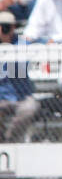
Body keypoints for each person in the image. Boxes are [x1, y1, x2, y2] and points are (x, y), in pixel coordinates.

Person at [0, 10, 40, 148]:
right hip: (1, 97)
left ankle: (11, 141)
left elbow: (20, 68)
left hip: (21, 97)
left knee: (30, 107)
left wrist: (7, 47)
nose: (3, 30)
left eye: (6, 26)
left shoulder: (22, 44)